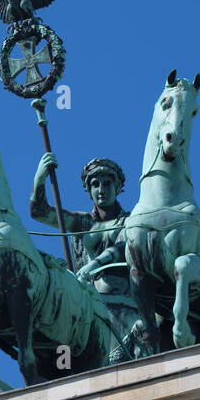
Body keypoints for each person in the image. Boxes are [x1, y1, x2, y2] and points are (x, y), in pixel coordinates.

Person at [30, 154, 141, 359]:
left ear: (118, 187)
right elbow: (39, 212)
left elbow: (122, 248)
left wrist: (94, 265)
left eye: (107, 183)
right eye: (95, 184)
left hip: (125, 307)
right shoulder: (83, 223)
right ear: (89, 191)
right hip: (90, 307)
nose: (101, 189)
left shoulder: (131, 221)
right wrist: (40, 177)